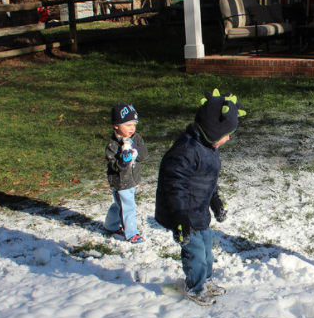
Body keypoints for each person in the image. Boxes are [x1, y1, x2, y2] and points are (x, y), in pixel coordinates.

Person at [155, 89, 245, 306]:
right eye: (225, 134)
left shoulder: (207, 147)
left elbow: (207, 180)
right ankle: (195, 288)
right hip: (185, 214)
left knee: (207, 252)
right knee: (195, 254)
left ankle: (205, 280)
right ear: (213, 131)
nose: (228, 138)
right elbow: (175, 186)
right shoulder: (184, 152)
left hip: (199, 211)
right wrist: (180, 218)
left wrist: (215, 200)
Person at [104, 102, 149, 243]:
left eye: (134, 124)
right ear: (116, 125)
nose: (132, 128)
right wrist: (123, 160)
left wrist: (136, 149)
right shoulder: (112, 146)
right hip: (120, 182)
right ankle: (131, 233)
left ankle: (110, 225)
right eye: (128, 125)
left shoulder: (136, 138)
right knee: (128, 206)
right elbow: (115, 167)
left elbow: (144, 156)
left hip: (132, 180)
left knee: (120, 205)